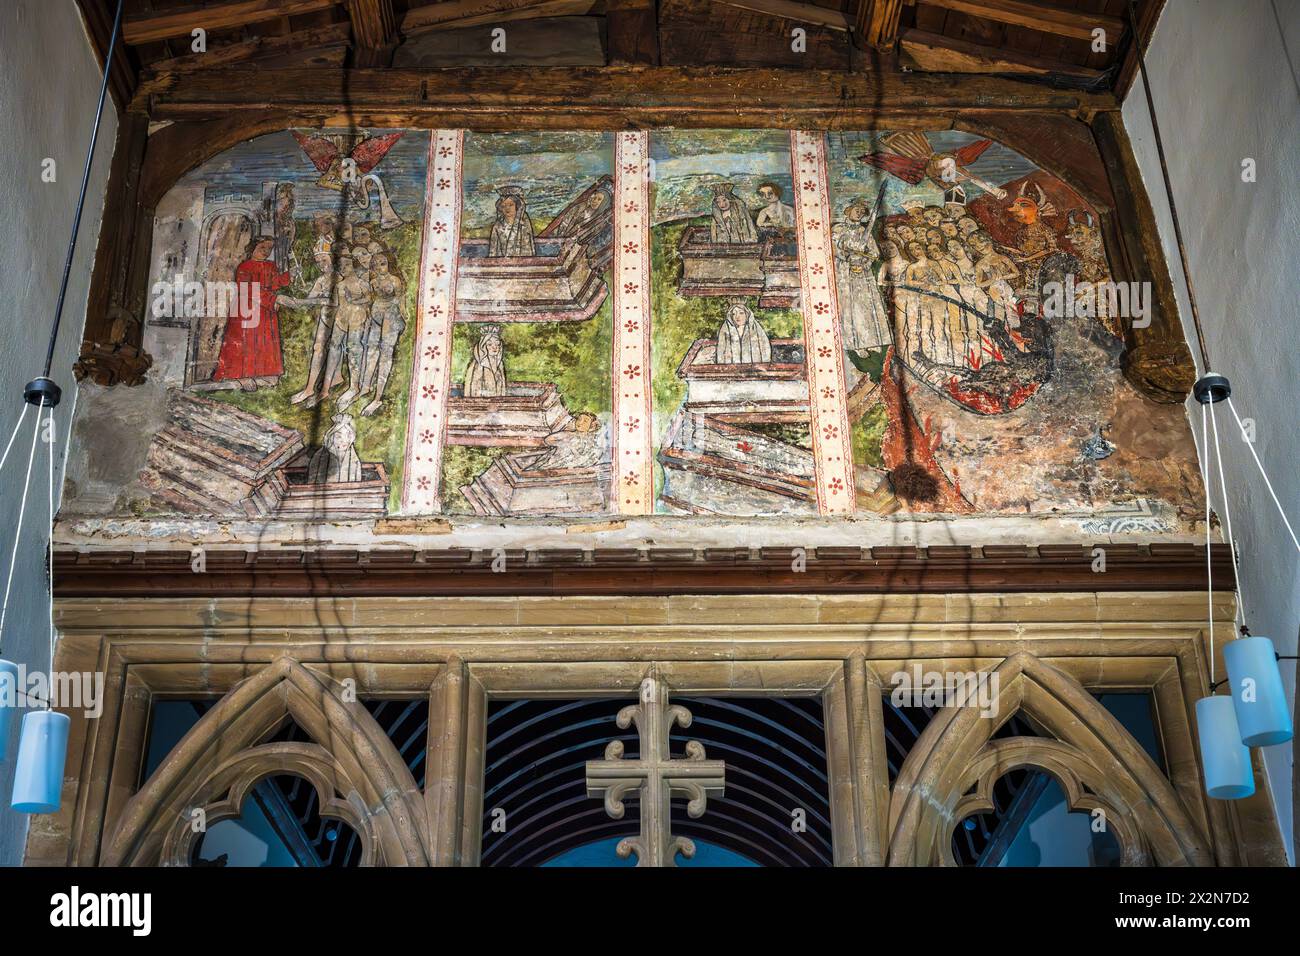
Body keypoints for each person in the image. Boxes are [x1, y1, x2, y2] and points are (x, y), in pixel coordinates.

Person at [212, 236, 292, 391]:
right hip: (246, 309)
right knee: (245, 342)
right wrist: (273, 299)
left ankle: (265, 374)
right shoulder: (245, 267)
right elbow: (248, 289)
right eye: (263, 248)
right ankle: (241, 376)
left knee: (265, 341)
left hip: (266, 311)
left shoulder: (271, 265)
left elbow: (275, 282)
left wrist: (289, 276)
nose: (266, 251)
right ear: (253, 248)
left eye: (269, 249)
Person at [831, 200, 892, 354]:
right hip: (845, 272)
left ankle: (872, 341)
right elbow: (834, 249)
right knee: (851, 308)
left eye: (862, 211)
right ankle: (855, 345)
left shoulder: (864, 231)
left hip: (863, 274)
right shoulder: (838, 229)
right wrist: (847, 258)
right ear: (848, 210)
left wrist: (864, 263)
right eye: (856, 210)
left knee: (867, 306)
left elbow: (874, 252)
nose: (859, 213)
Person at [288, 251, 342, 408]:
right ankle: (310, 388)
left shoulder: (339, 277)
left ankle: (330, 384)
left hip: (341, 318)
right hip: (326, 317)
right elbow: (311, 299)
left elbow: (335, 300)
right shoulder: (321, 279)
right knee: (318, 348)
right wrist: (298, 296)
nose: (321, 265)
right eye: (318, 262)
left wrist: (319, 300)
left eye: (324, 260)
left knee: (334, 349)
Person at [359, 251, 406, 416]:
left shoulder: (394, 280)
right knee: (371, 350)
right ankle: (365, 387)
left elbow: (400, 300)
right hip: (377, 315)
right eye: (376, 264)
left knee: (385, 352)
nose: (379, 267)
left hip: (391, 316)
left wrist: (403, 316)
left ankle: (378, 397)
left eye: (383, 263)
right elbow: (372, 299)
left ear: (388, 264)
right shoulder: (372, 282)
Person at [332, 254, 373, 410]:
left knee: (354, 349)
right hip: (344, 318)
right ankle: (342, 381)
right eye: (340, 266)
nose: (343, 269)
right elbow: (342, 304)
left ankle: (355, 386)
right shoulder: (341, 285)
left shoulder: (362, 283)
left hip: (358, 317)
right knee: (338, 347)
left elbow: (368, 299)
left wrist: (356, 302)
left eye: (347, 265)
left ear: (354, 266)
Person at [529, 412, 606, 470]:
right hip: (555, 463)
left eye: (585, 421)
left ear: (592, 426)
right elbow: (547, 440)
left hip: (570, 467)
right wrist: (563, 443)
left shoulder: (591, 442)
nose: (580, 422)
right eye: (579, 419)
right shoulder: (569, 434)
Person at [715, 298, 771, 364]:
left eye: (741, 313)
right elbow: (721, 352)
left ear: (747, 314)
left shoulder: (755, 328)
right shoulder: (725, 329)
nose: (737, 317)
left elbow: (765, 348)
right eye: (733, 314)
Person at [488, 186, 536, 257]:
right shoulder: (497, 226)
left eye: (511, 205)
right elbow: (493, 250)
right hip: (502, 265)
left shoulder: (524, 224)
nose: (507, 208)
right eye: (504, 206)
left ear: (517, 206)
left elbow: (529, 248)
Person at [464, 324, 507, 397]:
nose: (495, 347)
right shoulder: (477, 365)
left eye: (497, 344)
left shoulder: (500, 364)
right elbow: (471, 389)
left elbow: (503, 388)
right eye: (490, 344)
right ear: (483, 347)